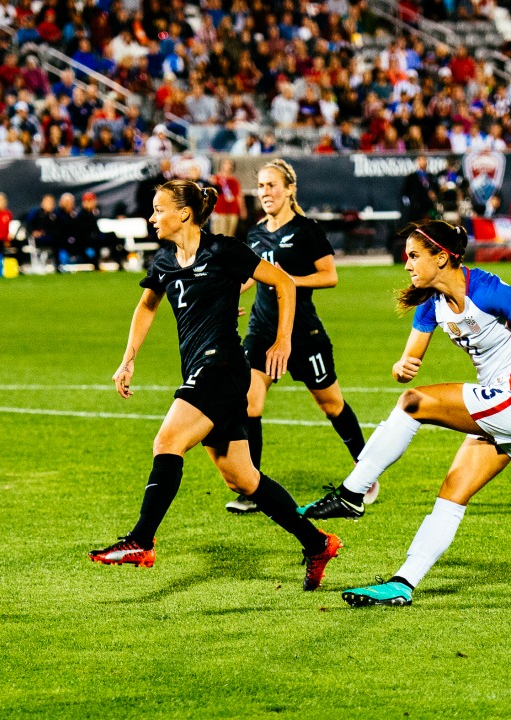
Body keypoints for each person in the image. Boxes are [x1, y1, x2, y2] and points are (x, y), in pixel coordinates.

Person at [294, 220, 511, 607]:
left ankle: (352, 493)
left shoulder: (484, 289)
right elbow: (408, 362)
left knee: (415, 404)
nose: (407, 265)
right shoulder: (430, 303)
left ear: (442, 256)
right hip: (504, 405)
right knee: (451, 495)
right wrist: (401, 367)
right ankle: (403, 583)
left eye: (414, 256)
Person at [89, 179, 343, 591]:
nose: (152, 217)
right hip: (201, 370)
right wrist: (128, 358)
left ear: (183, 213)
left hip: (221, 368)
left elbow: (284, 282)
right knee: (243, 479)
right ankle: (316, 542)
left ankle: (141, 539)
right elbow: (146, 305)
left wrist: (282, 339)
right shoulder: (164, 261)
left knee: (166, 442)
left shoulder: (224, 250)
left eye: (158, 209)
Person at [226, 159, 370, 514]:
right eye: (260, 186)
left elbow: (329, 275)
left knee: (331, 405)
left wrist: (287, 281)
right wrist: (226, 300)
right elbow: (250, 277)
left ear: (290, 189)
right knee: (249, 402)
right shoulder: (255, 233)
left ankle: (366, 472)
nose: (265, 193)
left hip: (303, 334)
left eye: (272, 185)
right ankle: (252, 488)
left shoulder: (307, 230)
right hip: (261, 330)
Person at [209, 158, 246, 237]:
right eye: (225, 163)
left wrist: (242, 209)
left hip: (232, 210)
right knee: (218, 234)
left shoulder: (234, 180)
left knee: (230, 235)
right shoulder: (215, 178)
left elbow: (239, 196)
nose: (227, 166)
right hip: (219, 210)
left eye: (229, 164)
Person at [400, 154, 438, 223]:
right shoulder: (412, 177)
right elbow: (405, 192)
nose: (422, 162)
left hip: (428, 206)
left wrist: (434, 195)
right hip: (416, 207)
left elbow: (436, 189)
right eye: (420, 160)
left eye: (424, 160)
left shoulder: (431, 176)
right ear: (417, 162)